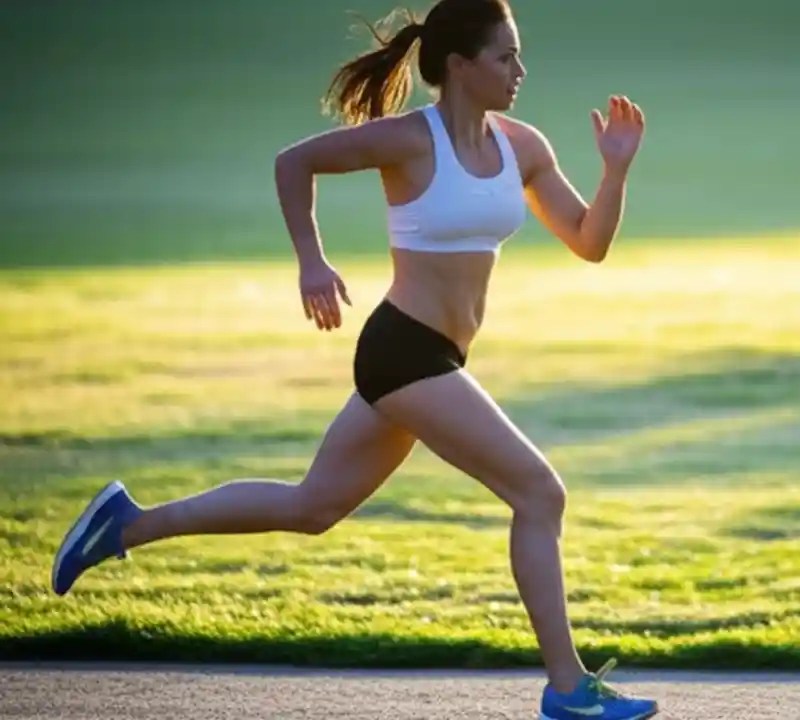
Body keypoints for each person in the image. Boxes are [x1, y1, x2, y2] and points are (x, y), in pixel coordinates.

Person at [50, 1, 657, 718]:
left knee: (314, 507)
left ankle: (126, 524)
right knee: (539, 493)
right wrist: (311, 262)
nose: (520, 70)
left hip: (435, 357)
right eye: (505, 56)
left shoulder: (523, 147)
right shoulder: (409, 140)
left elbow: (588, 240)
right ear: (460, 66)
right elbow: (295, 163)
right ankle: (568, 689)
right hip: (405, 352)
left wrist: (615, 171)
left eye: (518, 55)